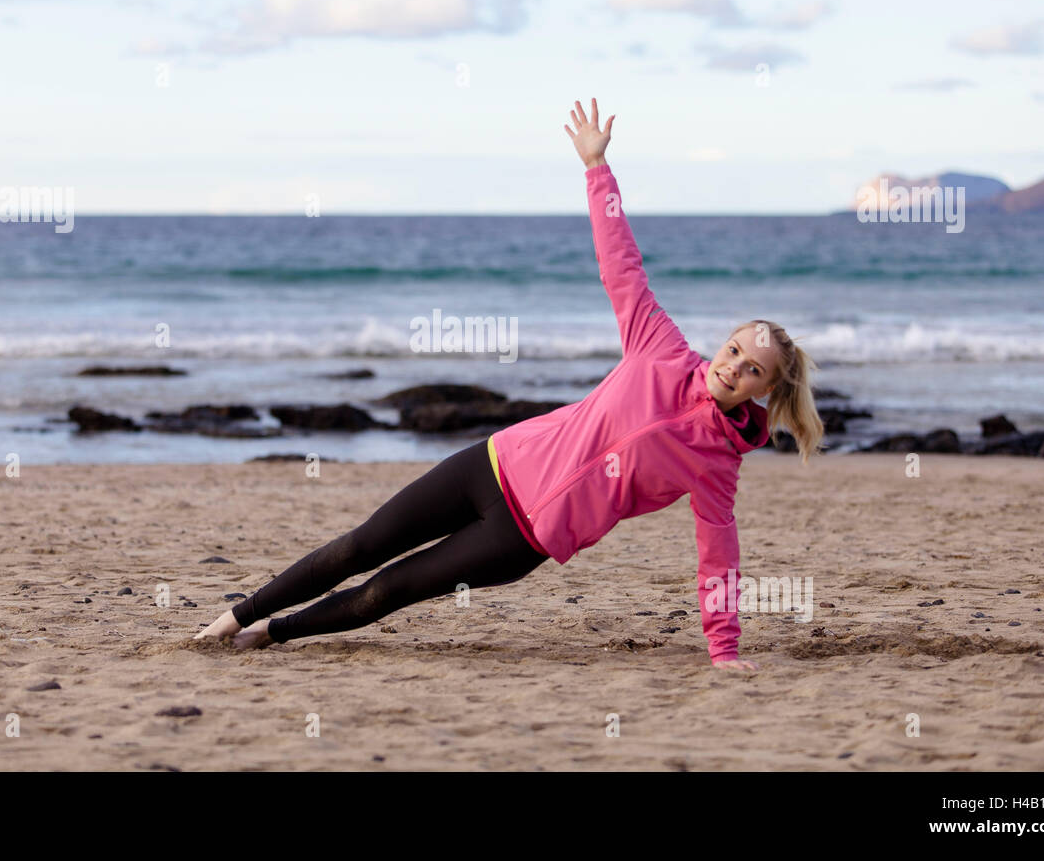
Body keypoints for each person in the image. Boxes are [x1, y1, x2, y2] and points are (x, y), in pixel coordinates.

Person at [196, 97, 825, 670]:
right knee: (361, 544)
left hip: (520, 539)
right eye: (735, 349)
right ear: (723, 342)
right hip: (492, 465)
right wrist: (596, 169)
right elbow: (620, 262)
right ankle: (238, 614)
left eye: (752, 370)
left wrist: (724, 650)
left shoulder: (718, 463)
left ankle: (273, 635)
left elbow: (719, 558)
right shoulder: (658, 347)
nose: (734, 367)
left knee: (388, 591)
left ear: (762, 392)